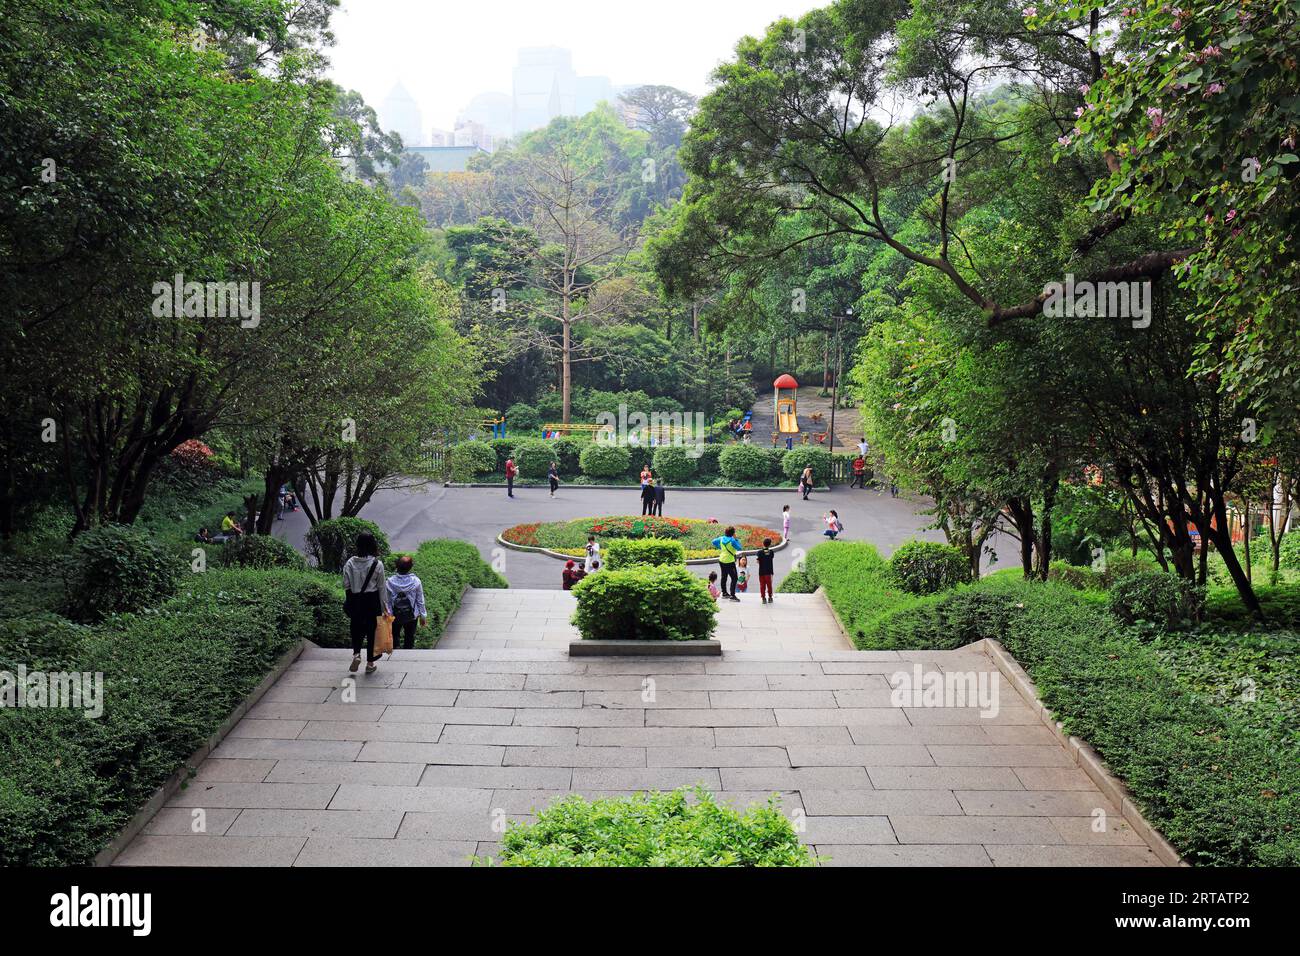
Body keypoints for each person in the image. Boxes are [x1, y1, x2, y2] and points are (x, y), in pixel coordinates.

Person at [342, 532, 388, 675]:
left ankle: (356, 654)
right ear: (373, 545)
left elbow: (346, 584)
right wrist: (384, 607)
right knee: (372, 632)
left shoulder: (350, 562)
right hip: (372, 601)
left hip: (355, 599)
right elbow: (381, 587)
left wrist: (351, 598)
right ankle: (370, 663)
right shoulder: (377, 564)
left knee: (356, 628)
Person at [386, 555, 427, 651]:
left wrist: (388, 614)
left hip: (394, 615)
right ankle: (407, 655)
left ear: (397, 567)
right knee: (409, 637)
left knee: (394, 636)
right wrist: (423, 616)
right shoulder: (416, 581)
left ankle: (395, 653)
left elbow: (387, 601)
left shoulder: (389, 582)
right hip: (412, 615)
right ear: (410, 568)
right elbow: (420, 600)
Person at [711, 526, 742, 601]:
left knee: (724, 576)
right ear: (733, 533)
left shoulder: (721, 538)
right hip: (729, 561)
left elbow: (713, 541)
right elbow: (739, 548)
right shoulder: (732, 540)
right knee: (734, 578)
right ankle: (732, 595)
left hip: (721, 560)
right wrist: (736, 539)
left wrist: (720, 547)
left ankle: (724, 593)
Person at [757, 538, 776, 604]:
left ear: (763, 543)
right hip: (769, 571)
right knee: (769, 585)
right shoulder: (771, 552)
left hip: (761, 571)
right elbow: (771, 557)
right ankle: (770, 597)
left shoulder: (760, 552)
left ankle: (763, 598)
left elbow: (758, 561)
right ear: (769, 544)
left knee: (762, 585)